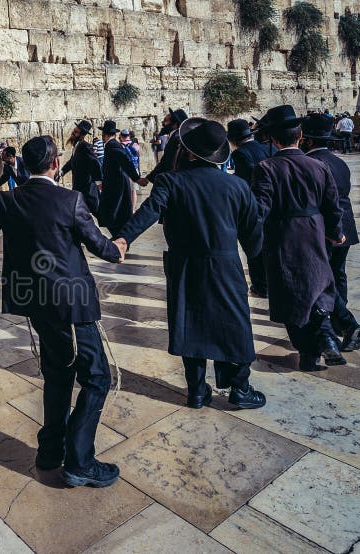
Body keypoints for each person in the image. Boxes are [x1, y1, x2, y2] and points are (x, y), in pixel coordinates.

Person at [0, 135, 125, 488]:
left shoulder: (8, 200)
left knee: (58, 373)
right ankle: (81, 460)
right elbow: (104, 250)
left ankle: (50, 452)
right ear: (54, 163)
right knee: (97, 378)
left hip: (37, 305)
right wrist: (119, 248)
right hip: (72, 304)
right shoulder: (71, 200)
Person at [115, 118, 266, 410]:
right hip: (225, 266)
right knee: (232, 323)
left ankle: (196, 391)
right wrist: (256, 255)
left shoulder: (171, 182)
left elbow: (148, 213)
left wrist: (123, 239)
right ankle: (240, 387)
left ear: (188, 152)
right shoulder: (237, 186)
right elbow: (253, 236)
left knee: (190, 323)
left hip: (184, 265)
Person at [251, 105, 346, 371]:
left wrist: (249, 237)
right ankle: (325, 333)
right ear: (300, 135)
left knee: (290, 291)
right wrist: (336, 233)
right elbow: (332, 205)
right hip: (315, 233)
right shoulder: (319, 165)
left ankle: (308, 354)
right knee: (319, 283)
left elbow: (260, 209)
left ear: (273, 139)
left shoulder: (266, 168)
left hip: (283, 237)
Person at [300, 114, 360, 351]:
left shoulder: (311, 165)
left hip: (326, 230)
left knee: (321, 280)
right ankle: (340, 322)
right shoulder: (338, 162)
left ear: (307, 140)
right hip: (345, 226)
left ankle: (345, 323)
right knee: (338, 274)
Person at [228, 118, 276, 298]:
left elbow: (243, 182)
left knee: (254, 247)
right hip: (272, 203)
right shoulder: (266, 148)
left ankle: (260, 285)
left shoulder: (240, 154)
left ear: (233, 139)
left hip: (254, 206)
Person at [97, 120, 140, 238]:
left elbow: (125, 160)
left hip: (116, 185)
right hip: (115, 183)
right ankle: (120, 237)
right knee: (117, 212)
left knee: (112, 212)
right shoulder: (112, 144)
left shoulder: (112, 145)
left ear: (104, 135)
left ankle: (120, 237)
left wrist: (136, 178)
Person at [59, 120, 103, 215]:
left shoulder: (85, 147)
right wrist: (61, 172)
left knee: (94, 216)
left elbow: (95, 163)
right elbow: (72, 162)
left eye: (76, 132)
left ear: (81, 135)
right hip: (79, 188)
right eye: (74, 131)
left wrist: (99, 182)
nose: (73, 133)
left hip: (87, 190)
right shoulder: (77, 146)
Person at [144, 108, 188, 184]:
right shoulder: (175, 135)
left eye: (165, 120)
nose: (162, 123)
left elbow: (167, 162)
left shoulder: (176, 138)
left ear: (174, 124)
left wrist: (149, 178)